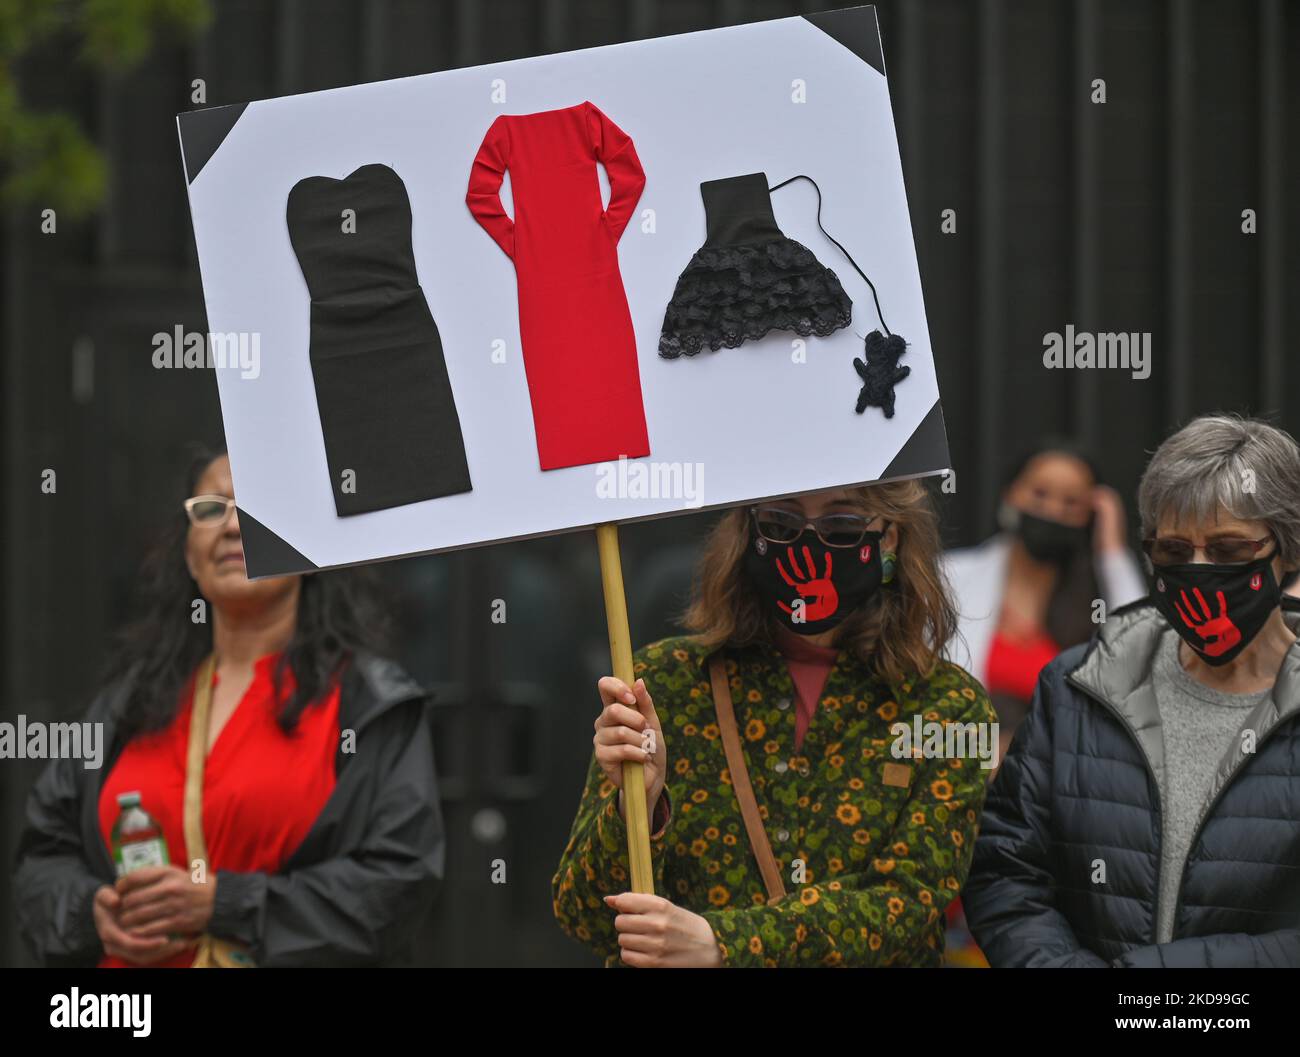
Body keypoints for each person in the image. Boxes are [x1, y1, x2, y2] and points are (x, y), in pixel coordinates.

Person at [13, 445, 444, 967]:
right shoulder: (129, 703)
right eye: (211, 509)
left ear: (308, 546)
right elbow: (43, 855)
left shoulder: (368, 703)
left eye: (261, 507)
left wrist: (225, 905)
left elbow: (398, 883)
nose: (233, 527)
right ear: (190, 556)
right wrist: (89, 913)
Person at [552, 481, 996, 967]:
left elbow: (909, 900)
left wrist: (723, 944)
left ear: (889, 538)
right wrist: (641, 804)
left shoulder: (952, 708)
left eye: (842, 527)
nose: (809, 544)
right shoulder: (662, 683)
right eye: (781, 525)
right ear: (747, 532)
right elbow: (585, 915)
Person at [962, 415, 1300, 967]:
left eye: (1228, 552)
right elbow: (1007, 869)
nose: (1198, 572)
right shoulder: (1079, 687)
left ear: (1288, 551)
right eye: (1172, 552)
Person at [943, 442, 1146, 753]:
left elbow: (1141, 658)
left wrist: (1112, 553)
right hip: (959, 772)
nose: (1053, 510)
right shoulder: (950, 577)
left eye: (1071, 502)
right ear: (1010, 495)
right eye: (1039, 494)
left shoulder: (1097, 600)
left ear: (1088, 516)